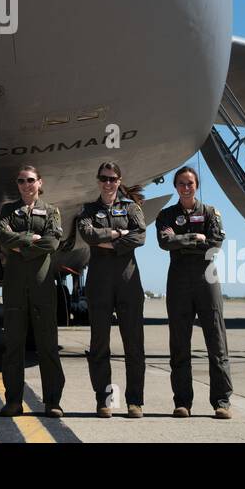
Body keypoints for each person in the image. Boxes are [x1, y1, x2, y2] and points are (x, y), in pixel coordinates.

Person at [156, 165, 233, 419]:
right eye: (181, 183)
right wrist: (196, 238)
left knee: (216, 342)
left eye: (190, 183)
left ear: (196, 186)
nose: (186, 187)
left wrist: (182, 240)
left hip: (206, 281)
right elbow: (164, 243)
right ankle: (182, 402)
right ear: (175, 187)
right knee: (179, 344)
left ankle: (221, 402)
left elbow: (214, 245)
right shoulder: (166, 214)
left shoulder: (210, 212)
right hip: (178, 281)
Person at [77, 161, 147, 418]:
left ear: (119, 181)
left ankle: (135, 401)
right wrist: (119, 234)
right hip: (99, 283)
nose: (108, 183)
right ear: (98, 181)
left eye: (112, 179)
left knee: (134, 345)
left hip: (128, 282)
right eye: (104, 179)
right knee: (99, 345)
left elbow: (140, 236)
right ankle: (104, 400)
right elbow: (88, 235)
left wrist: (108, 241)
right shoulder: (88, 209)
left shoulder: (131, 208)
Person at [0, 164, 65, 417]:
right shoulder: (7, 210)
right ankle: (13, 401)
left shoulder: (51, 211)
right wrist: (31, 240)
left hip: (42, 285)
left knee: (48, 344)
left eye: (30, 180)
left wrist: (20, 244)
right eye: (21, 180)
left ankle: (52, 401)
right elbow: (2, 237)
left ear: (39, 182)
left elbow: (52, 241)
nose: (26, 185)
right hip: (14, 287)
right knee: (13, 346)